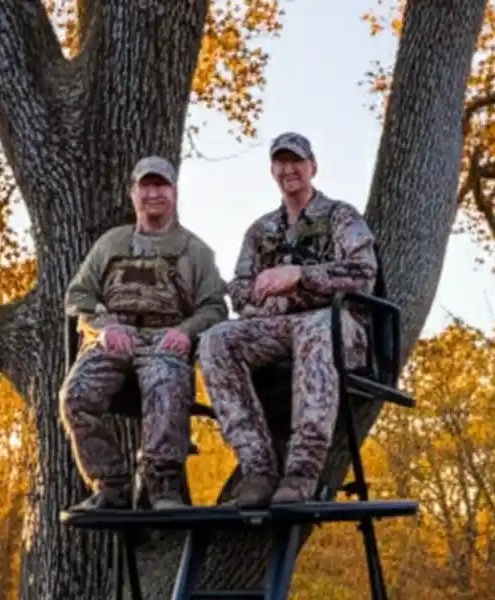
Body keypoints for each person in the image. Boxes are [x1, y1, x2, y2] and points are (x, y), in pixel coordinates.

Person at [198, 132, 376, 508]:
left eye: (296, 161)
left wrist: (300, 276)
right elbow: (243, 291)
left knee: (316, 328)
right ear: (272, 171)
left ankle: (301, 472)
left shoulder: (340, 216)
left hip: (339, 324)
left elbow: (364, 274)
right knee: (216, 339)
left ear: (313, 167)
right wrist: (262, 298)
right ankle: (258, 469)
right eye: (281, 163)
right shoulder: (260, 231)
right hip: (278, 327)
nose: (289, 169)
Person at [60, 155, 228, 511]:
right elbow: (78, 296)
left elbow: (215, 307)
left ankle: (161, 485)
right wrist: (104, 328)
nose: (154, 193)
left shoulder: (195, 251)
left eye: (161, 186)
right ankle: (110, 485)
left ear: (175, 193)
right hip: (113, 338)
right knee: (75, 396)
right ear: (133, 194)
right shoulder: (110, 244)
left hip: (165, 339)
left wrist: (186, 332)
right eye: (146, 186)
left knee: (167, 384)